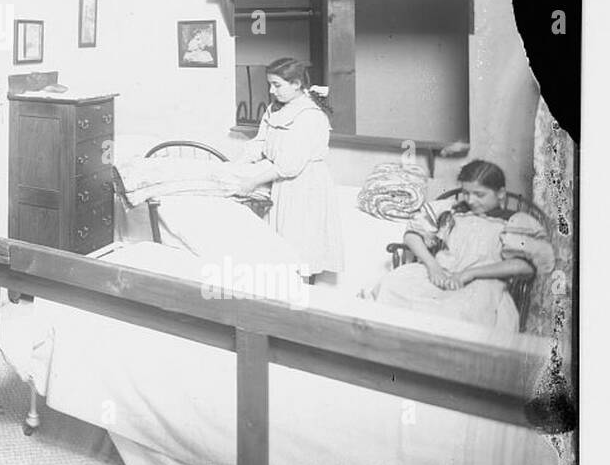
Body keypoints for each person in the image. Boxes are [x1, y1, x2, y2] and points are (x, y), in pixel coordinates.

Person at [375, 160, 554, 330]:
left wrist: (470, 273)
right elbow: (412, 235)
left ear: (500, 193)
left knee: (458, 311)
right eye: (466, 193)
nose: (471, 200)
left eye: (480, 194)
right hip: (441, 273)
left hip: (482, 283)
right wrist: (432, 266)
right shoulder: (452, 211)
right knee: (393, 284)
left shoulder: (513, 222)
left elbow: (525, 266)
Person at [223, 57, 344, 277]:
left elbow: (290, 165)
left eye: (277, 85)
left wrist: (251, 182)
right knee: (277, 246)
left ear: (297, 84)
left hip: (304, 186)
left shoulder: (309, 115)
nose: (271, 90)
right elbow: (260, 142)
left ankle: (302, 296)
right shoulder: (275, 109)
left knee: (300, 246)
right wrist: (236, 166)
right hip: (280, 182)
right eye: (270, 84)